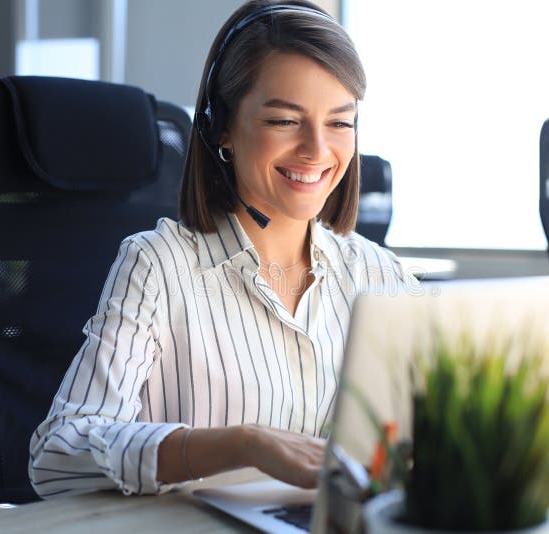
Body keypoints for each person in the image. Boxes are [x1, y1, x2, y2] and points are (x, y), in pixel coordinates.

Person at [29, 0, 416, 498]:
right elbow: (57, 456)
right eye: (284, 121)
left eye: (340, 123)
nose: (317, 150)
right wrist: (241, 444)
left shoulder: (380, 277)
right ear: (223, 130)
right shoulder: (159, 265)